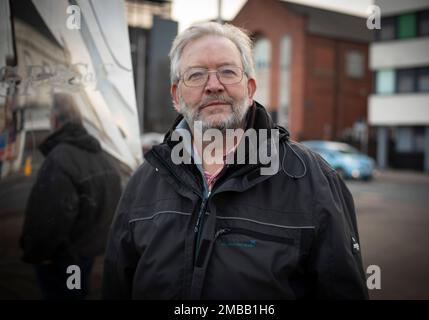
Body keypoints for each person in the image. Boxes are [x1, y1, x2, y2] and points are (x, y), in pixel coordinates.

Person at [102, 22, 369, 299]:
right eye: (196, 75)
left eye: (228, 72)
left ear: (250, 88)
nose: (214, 86)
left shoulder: (314, 180)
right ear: (176, 96)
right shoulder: (144, 181)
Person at [20, 93, 122, 300]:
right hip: (85, 254)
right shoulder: (101, 157)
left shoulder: (60, 159)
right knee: (76, 292)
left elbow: (49, 216)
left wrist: (36, 252)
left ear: (55, 120)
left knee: (66, 295)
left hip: (64, 261)